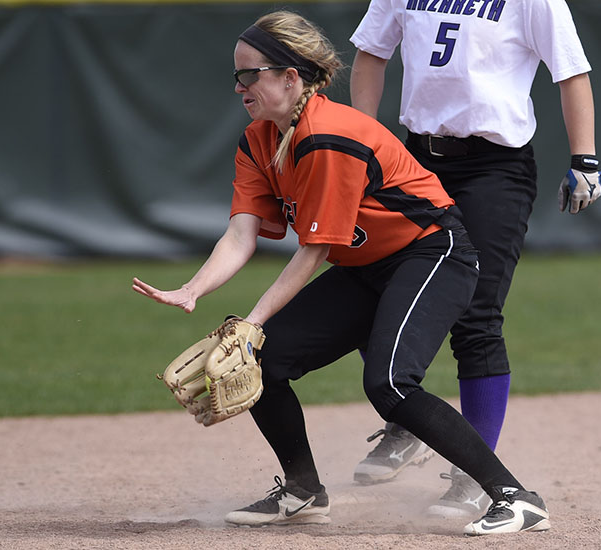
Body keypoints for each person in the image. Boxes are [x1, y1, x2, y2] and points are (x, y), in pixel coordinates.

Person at [131, 10, 550, 536]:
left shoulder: (328, 137)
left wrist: (252, 319)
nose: (240, 86)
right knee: (266, 359)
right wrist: (193, 289)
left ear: (290, 77)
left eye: (250, 74)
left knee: (391, 383)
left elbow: (313, 252)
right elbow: (241, 234)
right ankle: (303, 489)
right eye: (236, 75)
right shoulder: (259, 140)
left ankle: (515, 497)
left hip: (431, 253)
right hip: (366, 265)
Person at [348, 0, 601, 518]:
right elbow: (371, 54)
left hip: (495, 168)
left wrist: (585, 160)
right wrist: (359, 145)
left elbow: (571, 71)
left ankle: (474, 474)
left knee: (477, 315)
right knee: (371, 283)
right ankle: (406, 423)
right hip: (413, 157)